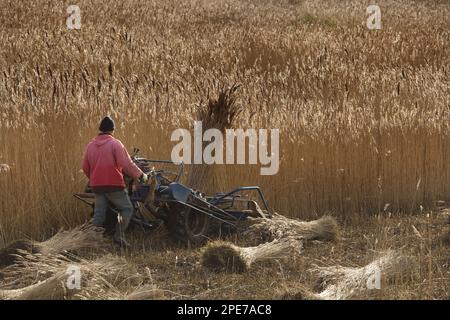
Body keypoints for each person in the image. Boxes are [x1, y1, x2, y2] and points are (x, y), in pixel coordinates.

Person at [82, 116, 148, 248]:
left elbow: (85, 167)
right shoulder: (115, 144)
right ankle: (118, 237)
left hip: (97, 186)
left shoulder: (90, 146)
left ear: (100, 130)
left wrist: (94, 178)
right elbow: (127, 164)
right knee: (127, 209)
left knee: (99, 214)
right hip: (113, 185)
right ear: (113, 130)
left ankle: (92, 241)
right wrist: (141, 175)